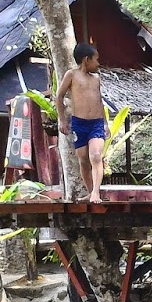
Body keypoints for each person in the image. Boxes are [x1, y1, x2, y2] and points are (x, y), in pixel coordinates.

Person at [54, 43, 109, 203]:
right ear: (87, 60)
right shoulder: (71, 75)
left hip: (96, 123)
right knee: (83, 159)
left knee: (96, 156)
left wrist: (105, 123)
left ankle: (96, 193)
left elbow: (100, 101)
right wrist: (62, 119)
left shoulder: (96, 79)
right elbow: (59, 96)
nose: (98, 64)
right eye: (96, 60)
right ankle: (91, 192)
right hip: (79, 124)